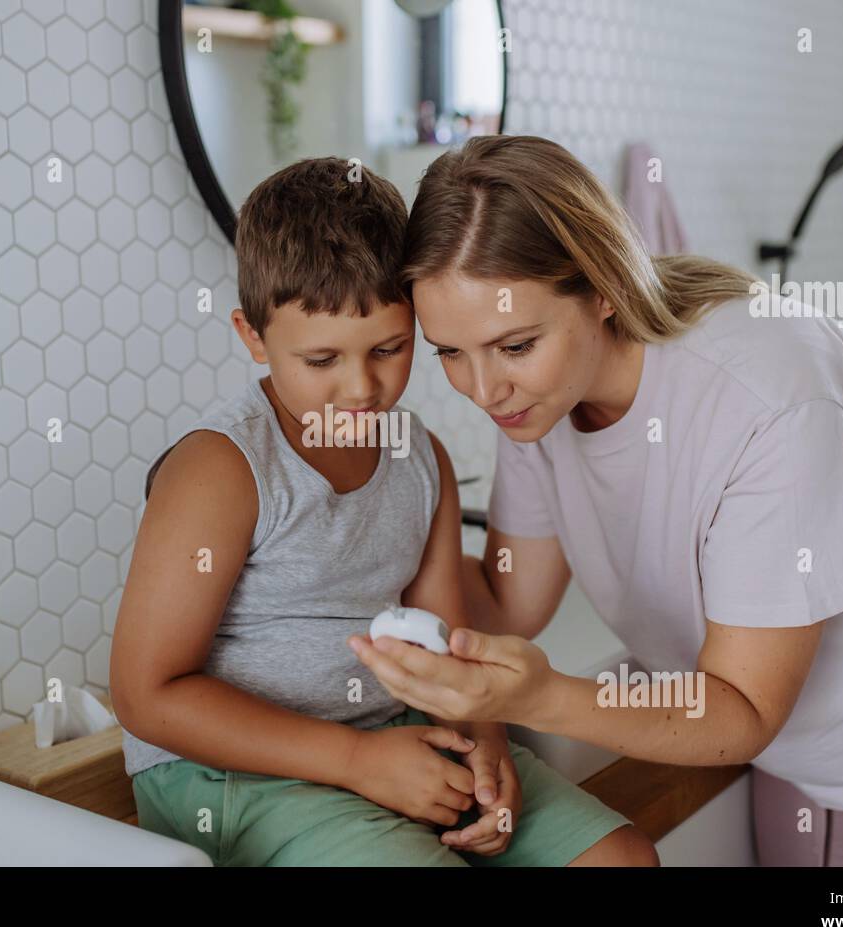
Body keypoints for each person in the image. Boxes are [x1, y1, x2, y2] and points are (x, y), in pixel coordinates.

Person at [351, 134, 843, 866]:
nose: (480, 389)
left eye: (514, 345)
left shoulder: (767, 395)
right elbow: (507, 601)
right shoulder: (533, 400)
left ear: (601, 287)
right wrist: (371, 519)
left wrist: (537, 698)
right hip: (806, 746)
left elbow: (744, 707)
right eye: (449, 352)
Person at [109, 157, 656, 866]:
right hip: (236, 775)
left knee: (622, 859)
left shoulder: (419, 459)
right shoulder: (221, 471)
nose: (361, 388)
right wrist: (356, 761)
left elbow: (448, 645)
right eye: (321, 360)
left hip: (391, 732)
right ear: (252, 337)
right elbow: (146, 695)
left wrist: (489, 751)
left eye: (390, 349)